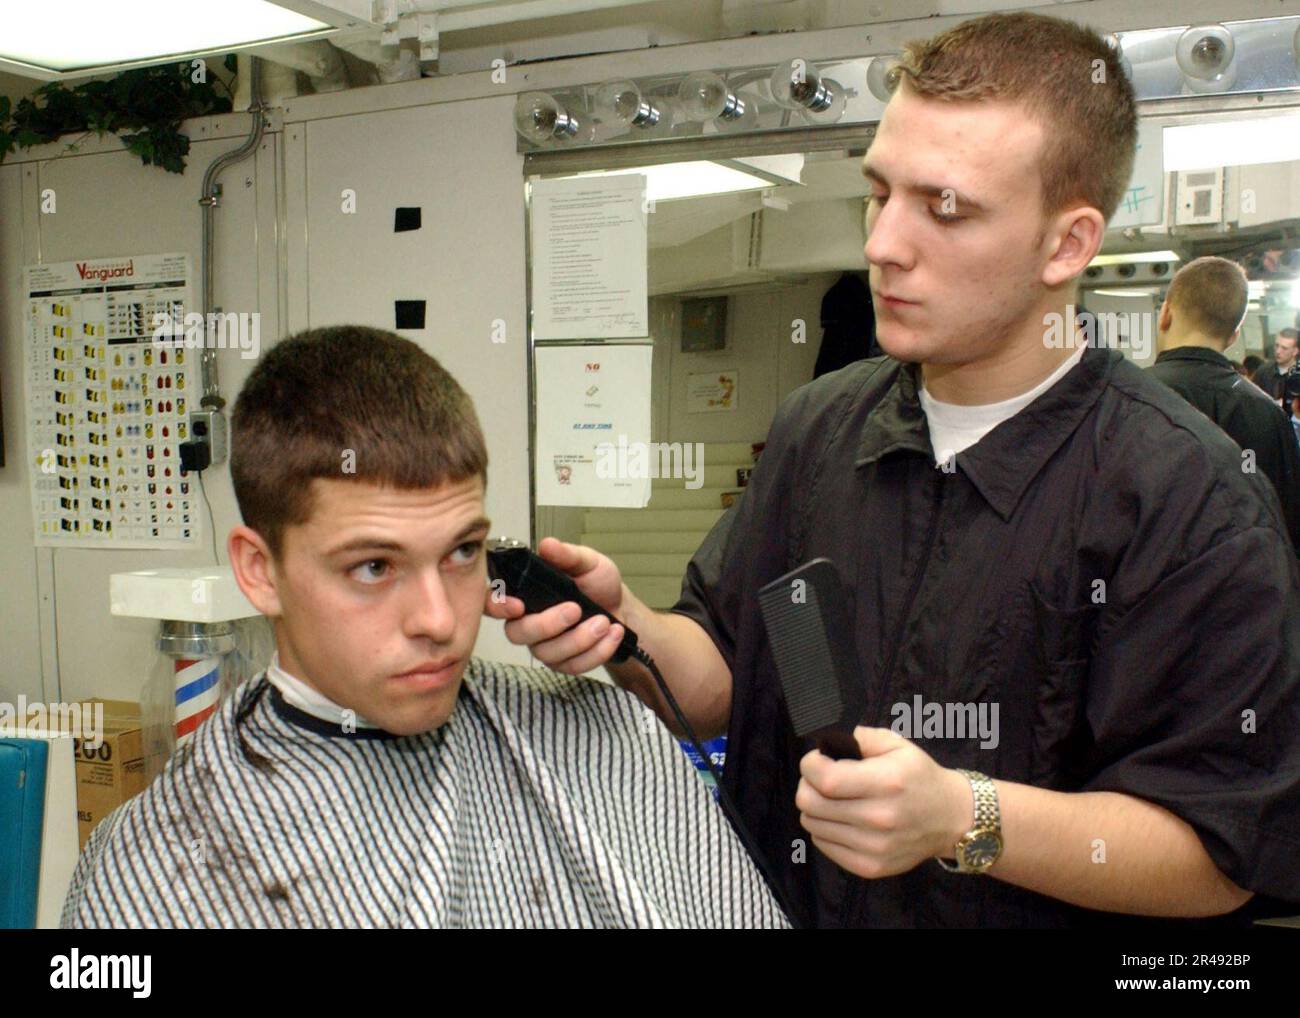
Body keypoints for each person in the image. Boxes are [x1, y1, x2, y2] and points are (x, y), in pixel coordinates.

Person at [488, 11, 1300, 929]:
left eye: (944, 207)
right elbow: (723, 678)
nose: (881, 244)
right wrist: (626, 628)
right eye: (881, 193)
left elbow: (1217, 856)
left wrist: (964, 817)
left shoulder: (1187, 501)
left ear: (1067, 245)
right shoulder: (819, 432)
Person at [60, 326, 788, 929]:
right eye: (374, 567)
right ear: (259, 571)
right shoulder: (155, 870)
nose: (442, 621)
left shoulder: (603, 739)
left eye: (463, 552)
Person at [1147, 256, 1300, 553]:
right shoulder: (1269, 416)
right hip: (1244, 591)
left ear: (1165, 314)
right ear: (1233, 336)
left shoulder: (1118, 398)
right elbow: (1288, 528)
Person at [1254, 327, 1298, 401]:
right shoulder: (1263, 371)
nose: (1278, 351)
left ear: (1295, 351)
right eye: (1277, 345)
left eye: (1284, 348)